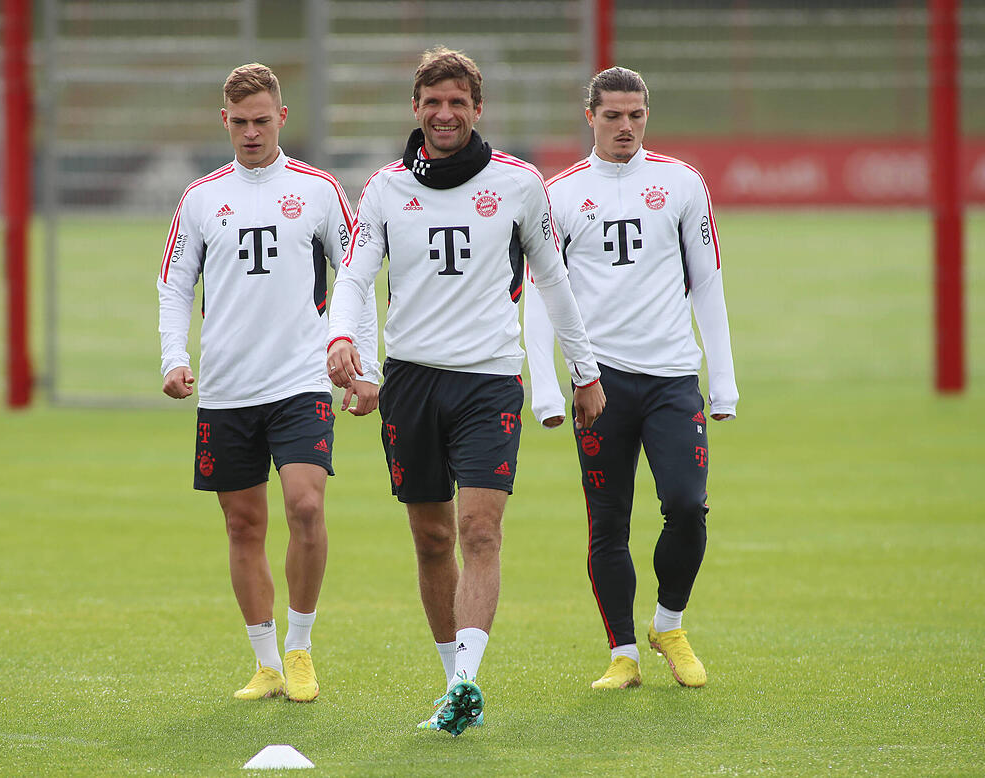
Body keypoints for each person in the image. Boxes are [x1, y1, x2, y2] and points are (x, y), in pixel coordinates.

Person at [325, 47, 606, 735]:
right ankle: (451, 678)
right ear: (416, 110)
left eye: (457, 102)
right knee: (429, 539)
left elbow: (555, 280)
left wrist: (584, 371)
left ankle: (464, 686)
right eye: (432, 102)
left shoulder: (518, 184)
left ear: (477, 109)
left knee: (479, 530)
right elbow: (357, 277)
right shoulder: (386, 187)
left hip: (488, 381)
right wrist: (341, 342)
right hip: (412, 382)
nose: (444, 114)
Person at [157, 63, 379, 703]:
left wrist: (361, 365)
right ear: (223, 120)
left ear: (282, 118)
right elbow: (174, 284)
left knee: (306, 507)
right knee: (242, 524)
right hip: (226, 385)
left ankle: (301, 646)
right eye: (240, 121)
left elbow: (356, 278)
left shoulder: (317, 190)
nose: (251, 132)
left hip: (301, 377)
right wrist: (174, 356)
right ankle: (265, 663)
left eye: (263, 120)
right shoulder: (200, 199)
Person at [524, 66, 738, 691]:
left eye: (635, 115)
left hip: (672, 377)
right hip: (600, 383)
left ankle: (668, 622)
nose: (625, 126)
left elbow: (709, 281)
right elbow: (538, 295)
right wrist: (546, 386)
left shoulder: (680, 184)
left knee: (685, 505)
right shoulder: (558, 194)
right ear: (589, 116)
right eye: (613, 115)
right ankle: (623, 653)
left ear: (647, 116)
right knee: (607, 519)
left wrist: (720, 379)